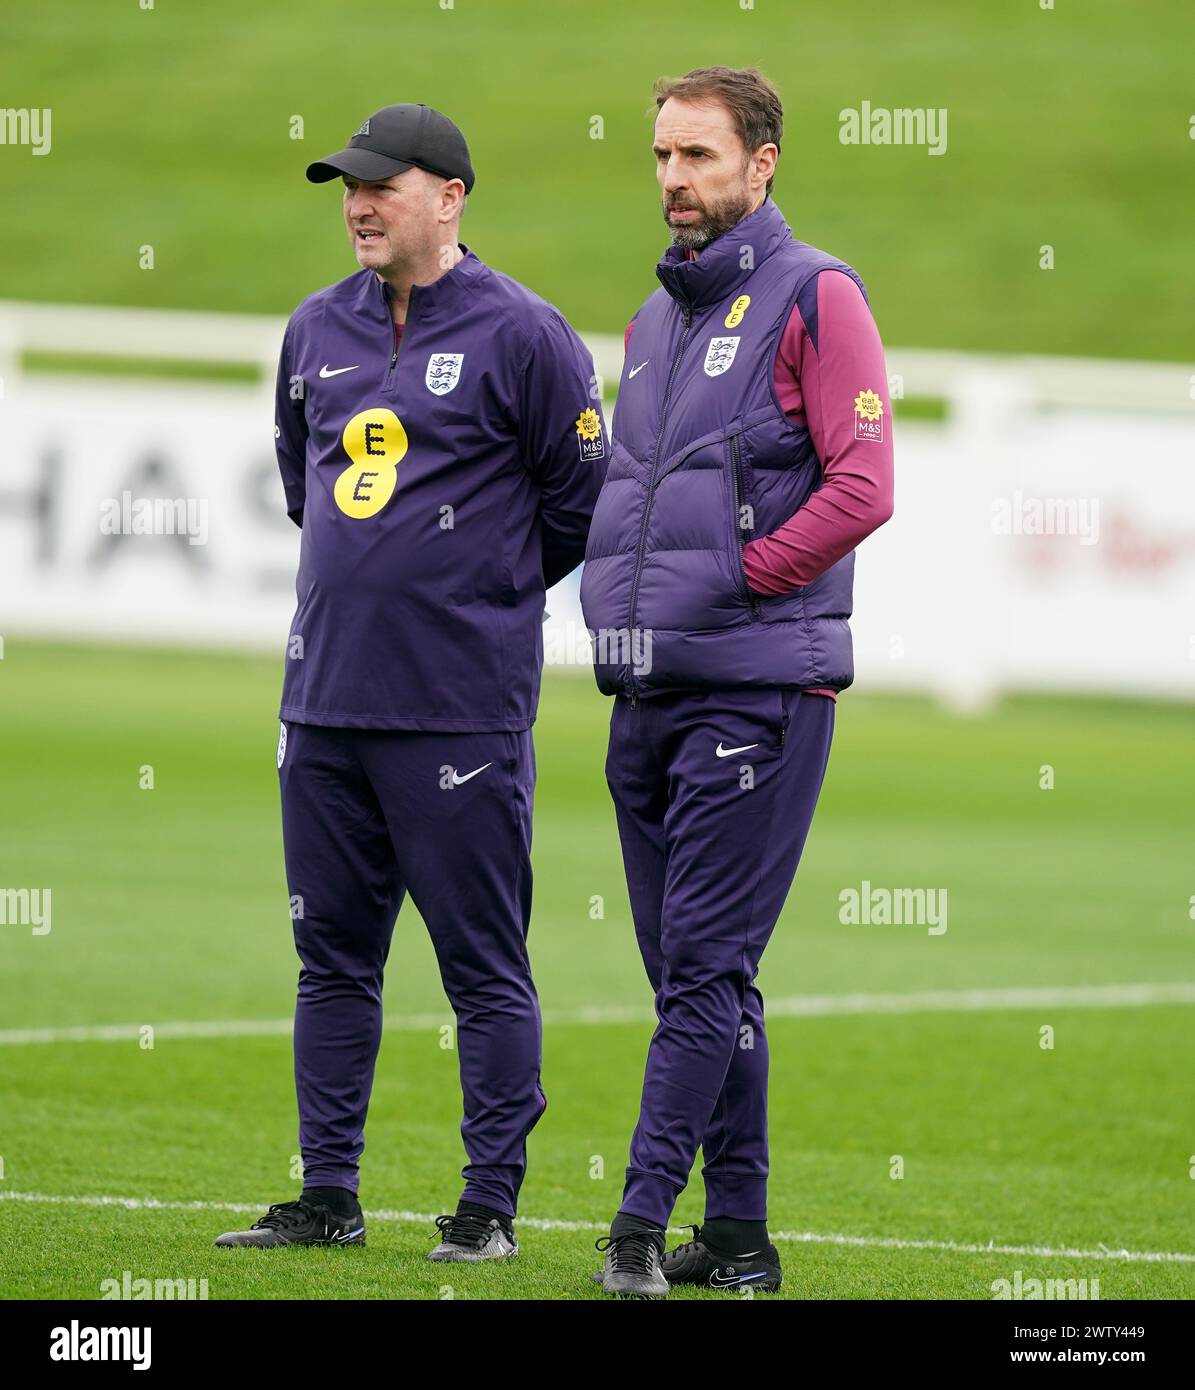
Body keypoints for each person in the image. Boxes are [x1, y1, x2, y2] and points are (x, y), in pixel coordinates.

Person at [215, 103, 605, 1263]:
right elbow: (308, 485)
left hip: (457, 712)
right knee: (330, 958)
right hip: (322, 700)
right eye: (347, 184)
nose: (358, 202)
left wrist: (471, 596)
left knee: (481, 965)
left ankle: (488, 1209)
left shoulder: (525, 335)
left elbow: (579, 503)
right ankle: (327, 1196)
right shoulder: (312, 329)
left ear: (451, 196)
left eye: (382, 184)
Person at [580, 67, 894, 1296]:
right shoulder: (651, 323)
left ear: (760, 165)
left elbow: (861, 486)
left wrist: (739, 582)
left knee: (701, 973)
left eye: (699, 157)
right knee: (696, 981)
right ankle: (744, 1241)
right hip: (646, 691)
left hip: (756, 693)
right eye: (661, 156)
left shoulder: (820, 295)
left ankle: (635, 1230)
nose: (673, 180)